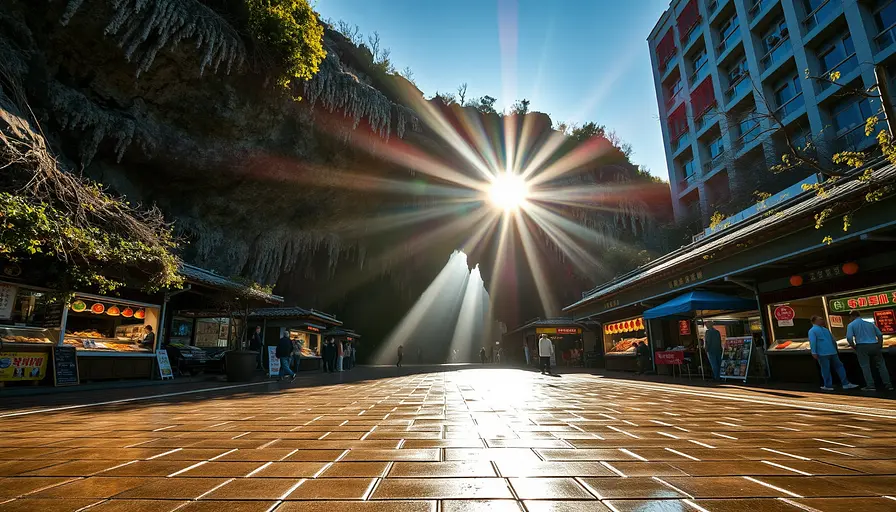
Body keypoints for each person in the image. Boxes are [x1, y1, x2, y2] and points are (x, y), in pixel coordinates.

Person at [846, 311, 893, 391]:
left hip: (861, 346)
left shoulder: (851, 325)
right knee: (881, 365)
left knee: (865, 367)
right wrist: (879, 345)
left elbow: (849, 338)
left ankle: (870, 385)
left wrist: (854, 347)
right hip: (874, 345)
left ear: (852, 316)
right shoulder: (870, 324)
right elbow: (880, 335)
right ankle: (888, 384)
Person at [809, 315, 858, 391]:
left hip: (822, 353)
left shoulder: (812, 331)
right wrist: (835, 349)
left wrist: (814, 352)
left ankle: (828, 385)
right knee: (839, 367)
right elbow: (833, 340)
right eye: (820, 319)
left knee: (825, 369)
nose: (822, 320)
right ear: (814, 321)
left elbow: (813, 342)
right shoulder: (825, 330)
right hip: (832, 351)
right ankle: (845, 383)